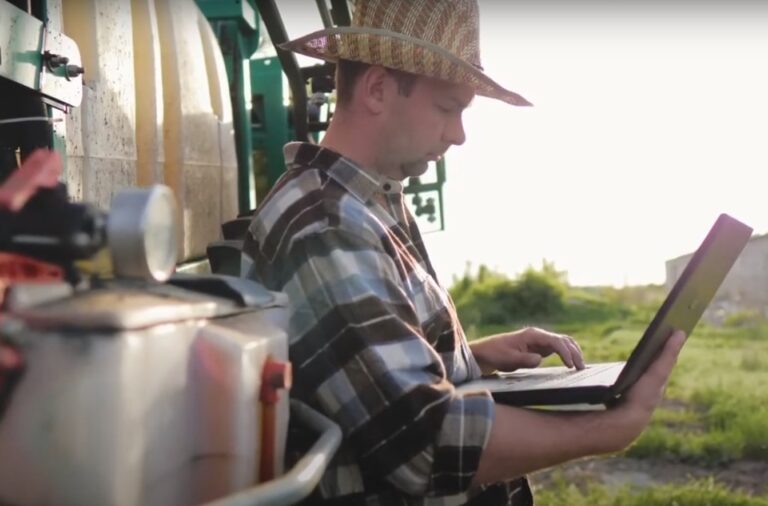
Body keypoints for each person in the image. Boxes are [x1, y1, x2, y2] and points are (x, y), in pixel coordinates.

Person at [242, 1, 686, 504]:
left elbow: (364, 382)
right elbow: (421, 442)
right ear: (378, 89)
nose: (458, 134)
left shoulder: (366, 206)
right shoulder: (324, 225)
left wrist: (466, 359)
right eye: (448, 108)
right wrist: (606, 431)